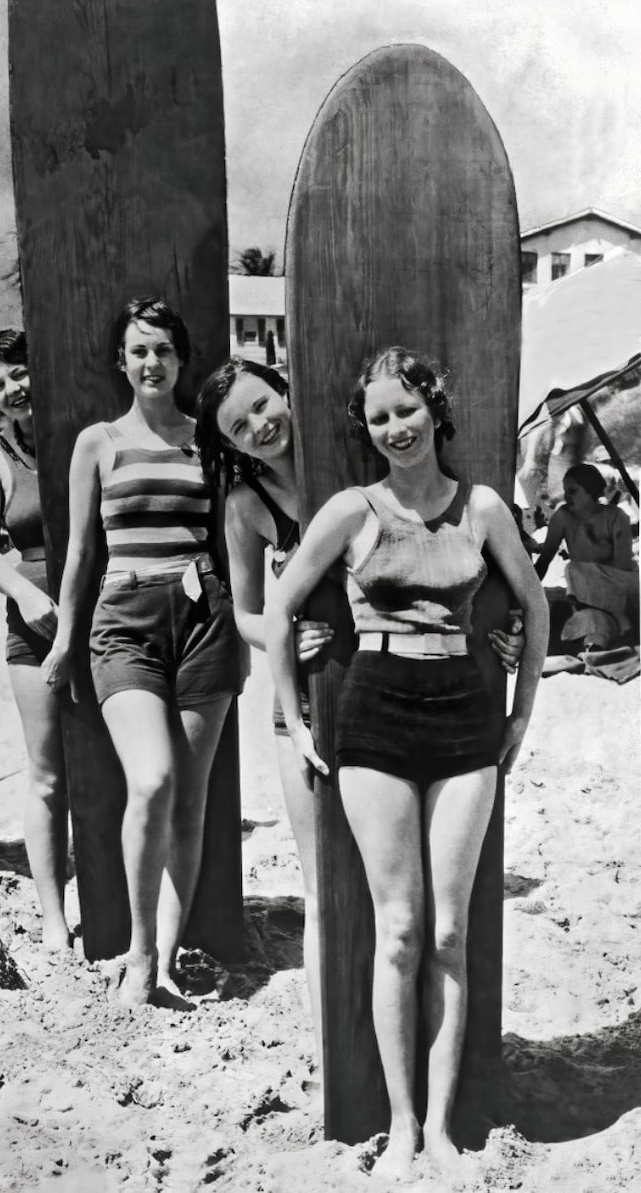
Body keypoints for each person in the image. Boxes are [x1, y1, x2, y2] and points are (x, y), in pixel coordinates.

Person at [263, 346, 547, 1179]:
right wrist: (295, 714)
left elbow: (534, 608)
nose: (394, 428)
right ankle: (401, 1126)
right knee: (399, 932)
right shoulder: (352, 511)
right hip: (374, 718)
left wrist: (522, 709)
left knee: (450, 933)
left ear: (435, 407)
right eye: (378, 418)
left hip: (466, 719)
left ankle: (448, 1130)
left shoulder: (485, 507)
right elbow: (279, 612)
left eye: (406, 410)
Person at [194, 356, 527, 1063]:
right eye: (239, 426)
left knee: (417, 918)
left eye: (263, 404)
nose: (261, 425)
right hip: (314, 705)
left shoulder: (361, 480)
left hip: (393, 699)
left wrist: (508, 634)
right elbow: (249, 617)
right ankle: (332, 1056)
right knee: (327, 893)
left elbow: (463, 565)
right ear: (229, 445)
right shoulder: (249, 507)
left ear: (288, 391)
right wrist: (287, 635)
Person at [43, 296, 243, 1004]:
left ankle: (162, 959)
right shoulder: (97, 442)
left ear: (181, 358)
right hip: (123, 620)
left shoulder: (207, 440)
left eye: (162, 349)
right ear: (120, 362)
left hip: (202, 620)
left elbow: (234, 540)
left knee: (189, 803)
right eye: (138, 350)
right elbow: (78, 552)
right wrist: (67, 637)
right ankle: (137, 952)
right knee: (152, 781)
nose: (151, 362)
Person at [0, 328, 71, 949]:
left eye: (20, 372)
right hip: (31, 622)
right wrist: (26, 594)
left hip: (102, 613)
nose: (12, 389)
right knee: (48, 773)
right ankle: (54, 917)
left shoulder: (80, 434)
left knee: (108, 769)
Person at [534, 462, 637, 647]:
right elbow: (544, 560)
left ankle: (621, 619)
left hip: (620, 587)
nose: (566, 497)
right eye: (565, 491)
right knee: (591, 622)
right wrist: (524, 590)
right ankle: (605, 633)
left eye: (573, 491)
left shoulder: (616, 516)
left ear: (590, 491)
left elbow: (623, 567)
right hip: (587, 595)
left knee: (575, 569)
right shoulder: (562, 517)